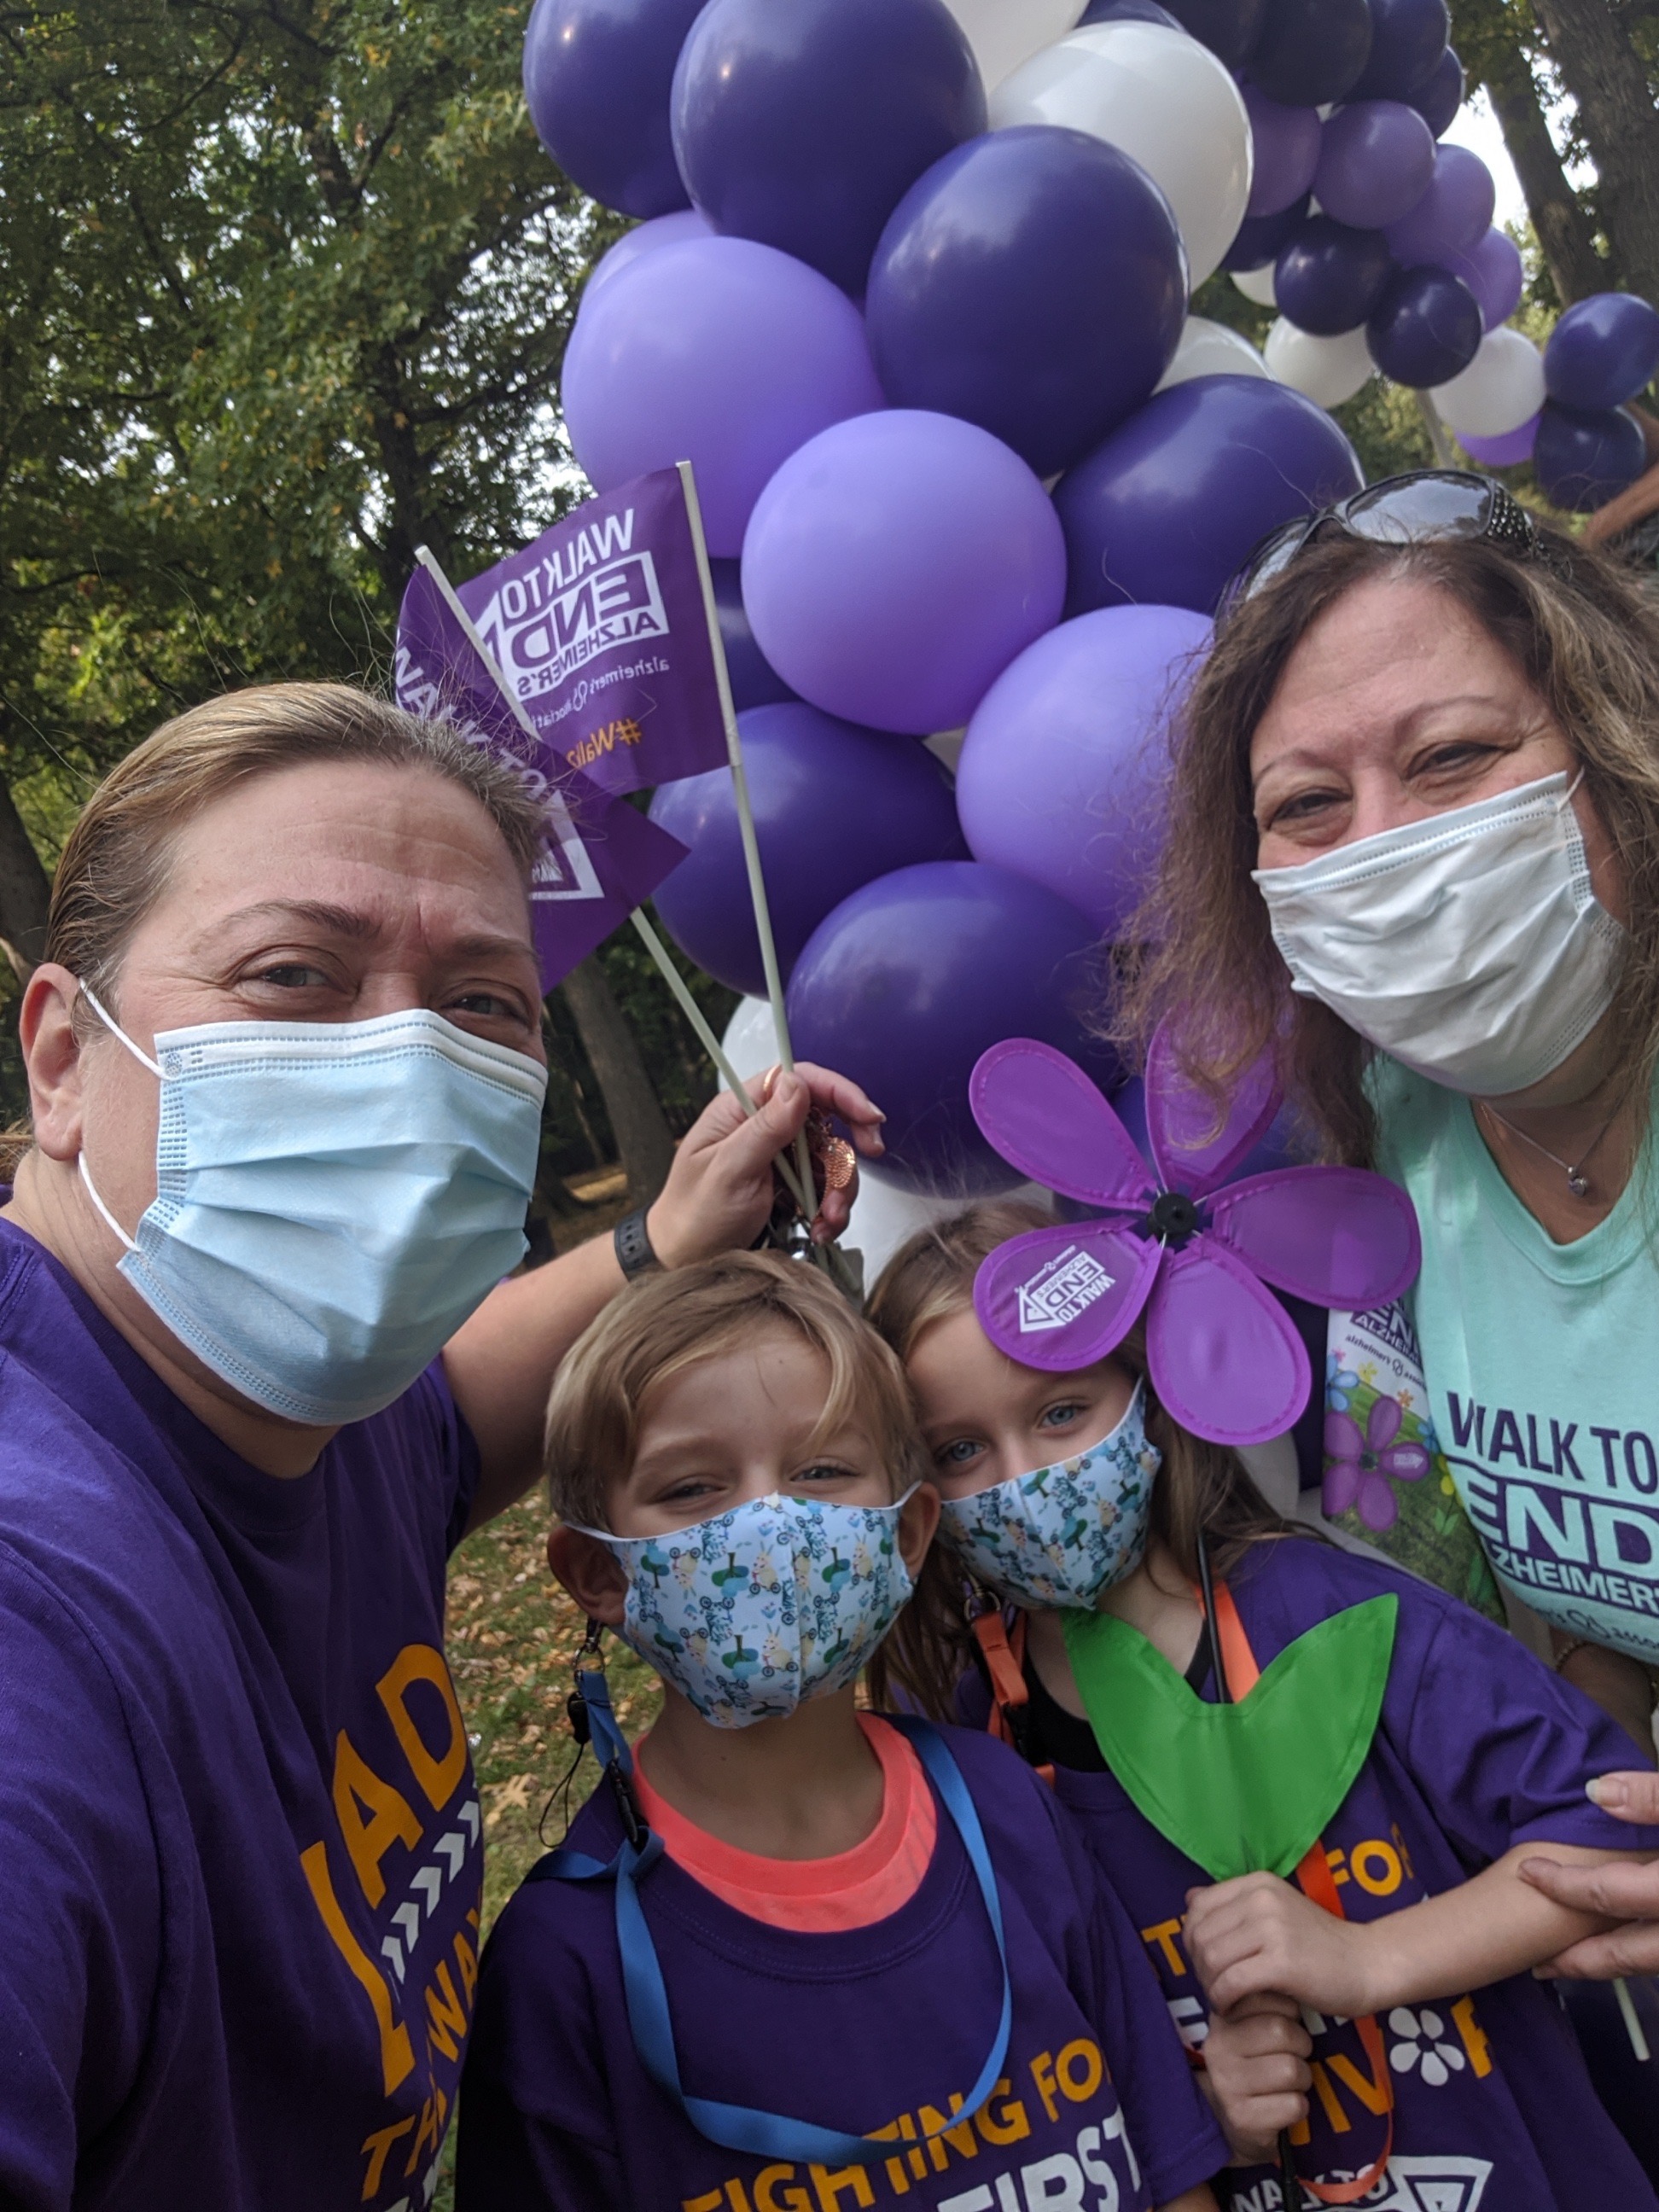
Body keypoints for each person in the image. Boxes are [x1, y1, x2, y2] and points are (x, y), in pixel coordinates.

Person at [0, 682, 883, 2209]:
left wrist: (660, 1237)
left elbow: (454, 1406)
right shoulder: (40, 1625)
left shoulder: (283, 1400)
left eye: (481, 1002)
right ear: (65, 1061)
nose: (404, 1063)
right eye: (292, 973)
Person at [866, 1200, 1659, 2209]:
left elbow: (1611, 1831)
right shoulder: (976, 1752)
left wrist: (1367, 1960)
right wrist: (1213, 2117)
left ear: (1148, 1395)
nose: (1026, 1481)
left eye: (1061, 1412)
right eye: (959, 1451)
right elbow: (1054, 2085)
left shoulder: (1332, 1613)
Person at [457, 1250, 1228, 2212]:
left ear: (907, 1537)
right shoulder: (564, 1970)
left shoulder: (1007, 1814)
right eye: (693, 1489)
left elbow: (1169, 2163)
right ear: (600, 1574)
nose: (768, 1526)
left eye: (821, 1471)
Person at [1117, 471, 1659, 1755]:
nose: (1381, 847)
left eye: (1454, 757)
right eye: (1307, 805)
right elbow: (1561, 1618)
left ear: (1617, 739)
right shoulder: (1386, 1139)